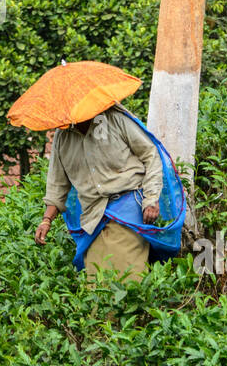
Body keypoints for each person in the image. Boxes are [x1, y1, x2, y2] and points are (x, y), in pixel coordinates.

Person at [34, 105, 164, 286]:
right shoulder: (62, 137)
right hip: (93, 219)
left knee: (128, 281)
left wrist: (151, 199)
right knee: (97, 286)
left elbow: (151, 155)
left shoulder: (115, 120)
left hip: (128, 209)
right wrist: (46, 220)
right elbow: (57, 185)